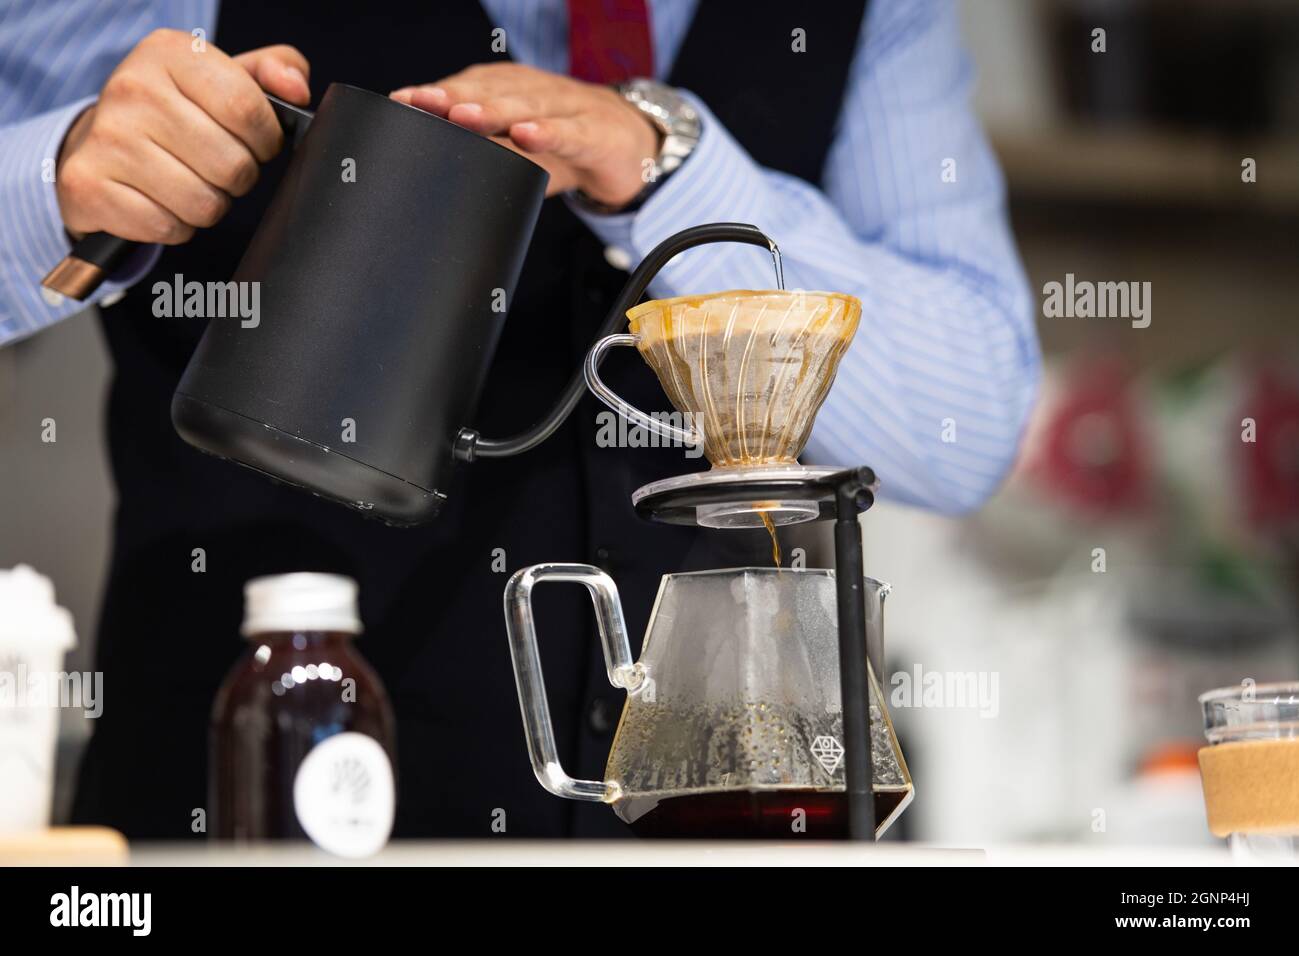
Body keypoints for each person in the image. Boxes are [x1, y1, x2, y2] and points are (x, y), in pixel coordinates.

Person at [0, 0, 1040, 838]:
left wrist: (667, 162)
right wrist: (60, 177)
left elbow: (971, 419)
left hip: (721, 829)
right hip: (252, 816)